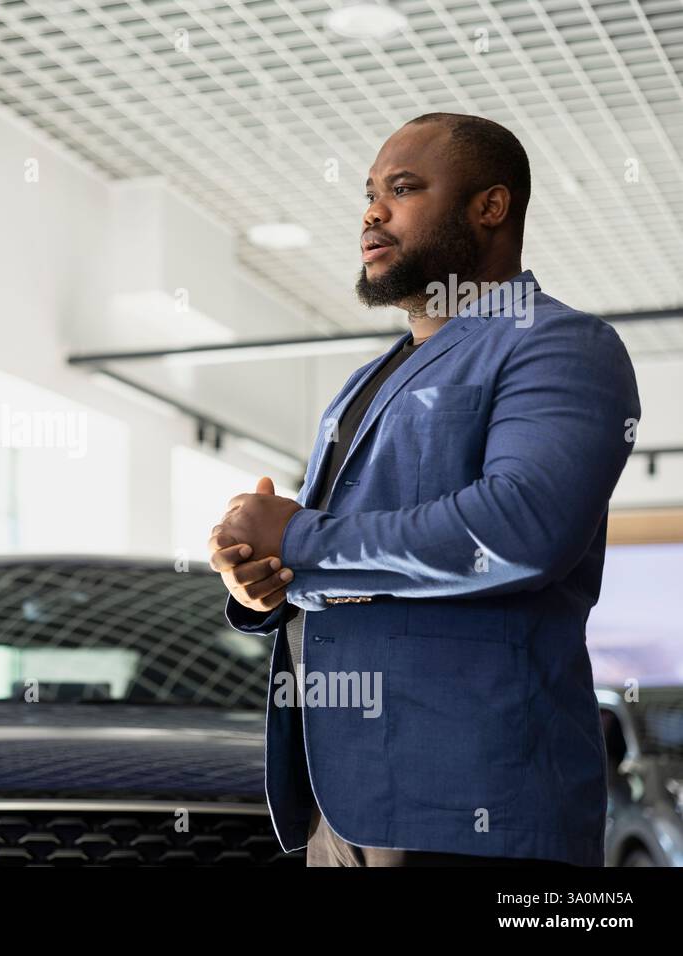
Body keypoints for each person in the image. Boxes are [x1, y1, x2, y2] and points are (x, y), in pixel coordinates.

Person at [208, 113, 639, 866]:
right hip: (335, 809)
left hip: (474, 802)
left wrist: (300, 540)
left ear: (490, 207)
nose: (373, 212)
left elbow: (521, 528)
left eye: (403, 189)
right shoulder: (360, 382)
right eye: (371, 194)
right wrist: (268, 584)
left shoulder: (561, 343)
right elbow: (345, 569)